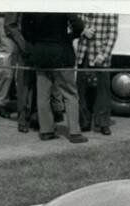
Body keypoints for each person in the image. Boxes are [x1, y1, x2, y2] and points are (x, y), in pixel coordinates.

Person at [20, 12, 85, 143]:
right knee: (70, 93)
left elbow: (25, 30)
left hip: (41, 53)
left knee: (43, 94)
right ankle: (74, 132)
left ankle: (46, 130)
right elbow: (79, 25)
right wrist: (70, 37)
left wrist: (36, 41)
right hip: (62, 52)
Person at [76, 12, 118, 136]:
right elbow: (74, 24)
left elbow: (113, 33)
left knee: (103, 92)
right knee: (82, 91)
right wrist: (83, 31)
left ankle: (103, 124)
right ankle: (84, 122)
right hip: (83, 54)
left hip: (100, 56)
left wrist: (104, 54)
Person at [4, 13, 34, 132]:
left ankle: (35, 114)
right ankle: (23, 116)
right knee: (24, 83)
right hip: (24, 45)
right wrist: (23, 44)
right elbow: (9, 25)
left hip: (42, 43)